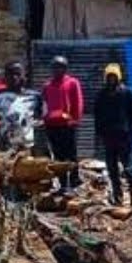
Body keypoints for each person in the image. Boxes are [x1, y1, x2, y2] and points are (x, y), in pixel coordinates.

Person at [94, 64, 132, 206]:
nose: (111, 79)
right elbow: (98, 115)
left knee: (128, 169)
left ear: (118, 77)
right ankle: (118, 198)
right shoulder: (102, 95)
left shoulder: (127, 92)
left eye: (114, 77)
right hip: (109, 138)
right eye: (109, 77)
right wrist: (100, 133)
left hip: (124, 138)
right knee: (112, 169)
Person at [42, 56, 84, 190]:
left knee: (71, 154)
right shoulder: (47, 85)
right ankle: (62, 183)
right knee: (58, 156)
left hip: (67, 125)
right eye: (55, 67)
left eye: (60, 67)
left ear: (65, 69)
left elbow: (78, 101)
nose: (57, 70)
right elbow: (43, 104)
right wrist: (44, 119)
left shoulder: (72, 82)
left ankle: (74, 181)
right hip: (51, 125)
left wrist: (75, 119)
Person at [0, 61, 44, 153]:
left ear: (24, 75)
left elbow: (41, 120)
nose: (14, 77)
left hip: (29, 147)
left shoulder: (35, 97)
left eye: (17, 74)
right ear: (5, 77)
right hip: (4, 147)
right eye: (10, 74)